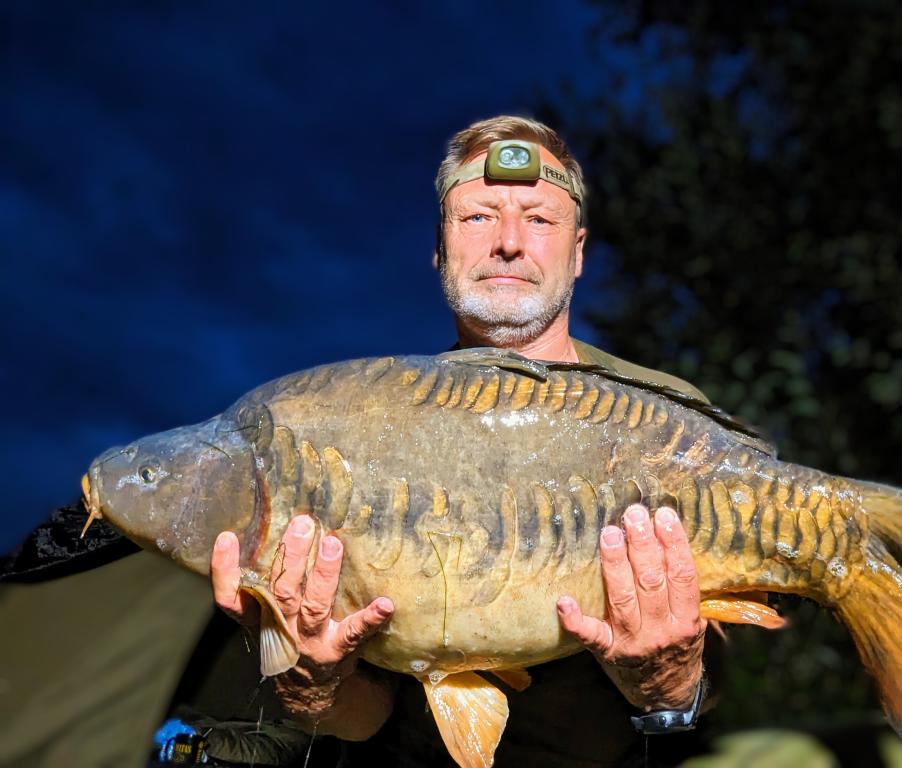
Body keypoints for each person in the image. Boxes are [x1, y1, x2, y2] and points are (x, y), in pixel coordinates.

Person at [209, 116, 711, 766]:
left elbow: (710, 690)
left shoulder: (672, 421)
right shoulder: (359, 424)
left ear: (579, 250)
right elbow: (365, 718)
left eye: (538, 218)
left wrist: (670, 687)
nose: (508, 242)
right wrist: (312, 689)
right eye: (476, 217)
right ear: (440, 248)